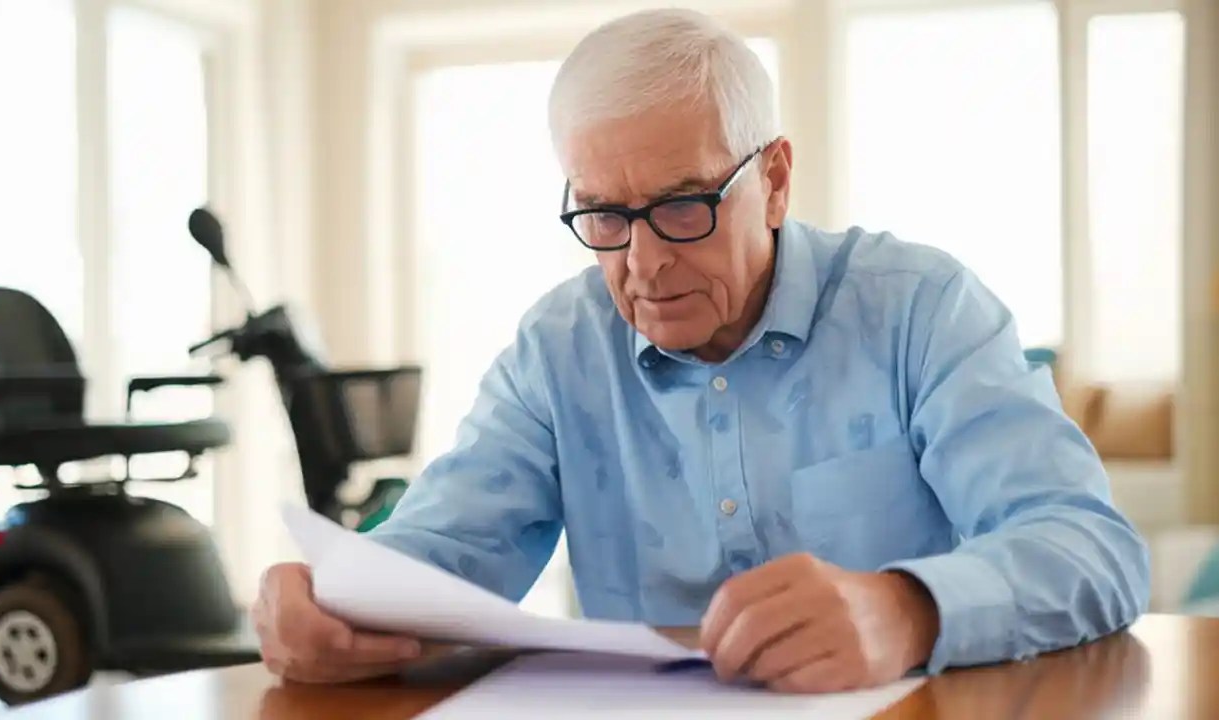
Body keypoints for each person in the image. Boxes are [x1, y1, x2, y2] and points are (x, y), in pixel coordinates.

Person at [253, 8, 1148, 693]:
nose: (642, 263)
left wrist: (910, 608)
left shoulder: (921, 309)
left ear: (775, 181)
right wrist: (327, 601)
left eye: (684, 205)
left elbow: (1093, 551)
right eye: (604, 214)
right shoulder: (557, 351)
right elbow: (437, 559)